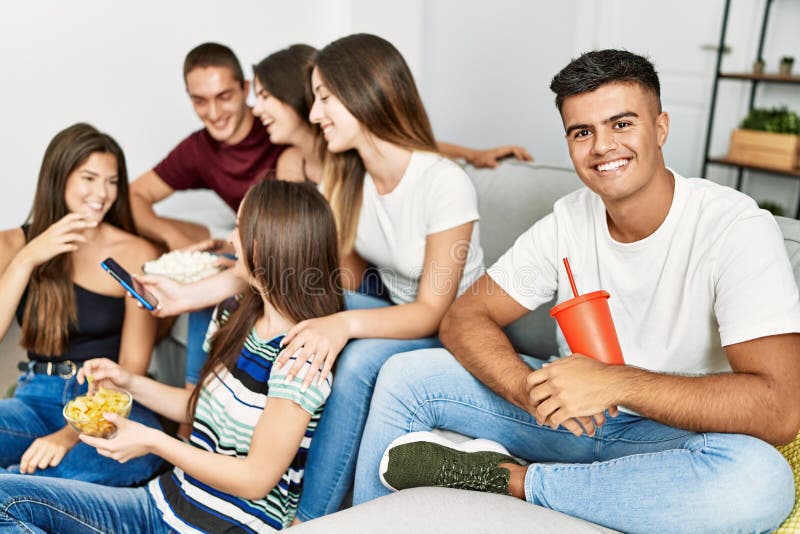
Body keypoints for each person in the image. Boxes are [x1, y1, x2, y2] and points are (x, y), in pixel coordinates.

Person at [353, 49, 800, 533]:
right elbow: (465, 316)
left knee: (761, 481)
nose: (602, 146)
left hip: (671, 437)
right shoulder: (568, 220)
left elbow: (779, 408)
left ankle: (510, 481)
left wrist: (616, 382)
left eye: (622, 124)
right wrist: (527, 390)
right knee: (404, 375)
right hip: (567, 422)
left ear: (661, 128)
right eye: (582, 132)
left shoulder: (734, 229)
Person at [0, 179, 343, 532]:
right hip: (164, 500)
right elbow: (198, 405)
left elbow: (255, 479)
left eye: (239, 229)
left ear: (266, 242)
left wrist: (153, 441)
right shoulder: (236, 314)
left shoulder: (300, 356)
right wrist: (128, 381)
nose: (229, 239)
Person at [0, 122, 164, 486]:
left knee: (130, 459)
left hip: (108, 400)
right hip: (34, 397)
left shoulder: (135, 252)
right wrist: (28, 258)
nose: (102, 193)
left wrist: (70, 434)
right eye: (89, 178)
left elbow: (134, 363)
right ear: (58, 178)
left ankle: (14, 492)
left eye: (112, 181)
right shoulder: (12, 244)